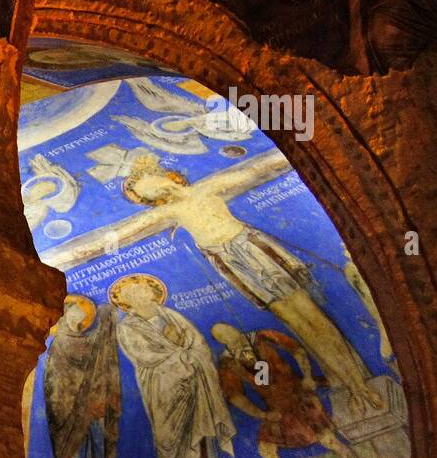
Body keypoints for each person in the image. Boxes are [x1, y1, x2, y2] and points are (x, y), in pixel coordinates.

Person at [122, 155, 382, 414]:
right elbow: (131, 228)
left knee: (313, 316)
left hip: (252, 250)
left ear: (164, 176)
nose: (151, 194)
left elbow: (255, 171)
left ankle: (361, 384)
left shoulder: (206, 188)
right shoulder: (169, 211)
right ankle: (351, 387)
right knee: (296, 322)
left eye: (148, 185)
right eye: (145, 195)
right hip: (231, 262)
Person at [212, 323, 405, 458]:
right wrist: (262, 414)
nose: (232, 335)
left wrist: (308, 376)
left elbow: (297, 350)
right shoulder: (228, 362)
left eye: (232, 331)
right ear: (222, 341)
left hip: (298, 394)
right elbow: (236, 397)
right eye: (226, 336)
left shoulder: (263, 336)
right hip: (276, 407)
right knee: (266, 449)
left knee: (330, 440)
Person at [111, 274, 236, 458]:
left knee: (201, 433)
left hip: (194, 381)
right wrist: (181, 355)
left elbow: (199, 343)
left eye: (145, 289)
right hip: (162, 387)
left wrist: (190, 355)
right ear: (128, 300)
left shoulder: (172, 316)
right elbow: (144, 356)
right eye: (136, 292)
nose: (144, 293)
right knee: (173, 439)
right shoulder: (127, 327)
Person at [43, 295, 122, 458]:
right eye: (74, 313)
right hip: (68, 417)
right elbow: (56, 385)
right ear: (64, 316)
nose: (79, 319)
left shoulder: (87, 342)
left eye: (81, 315)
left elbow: (100, 351)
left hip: (92, 413)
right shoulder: (61, 344)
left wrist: (107, 320)